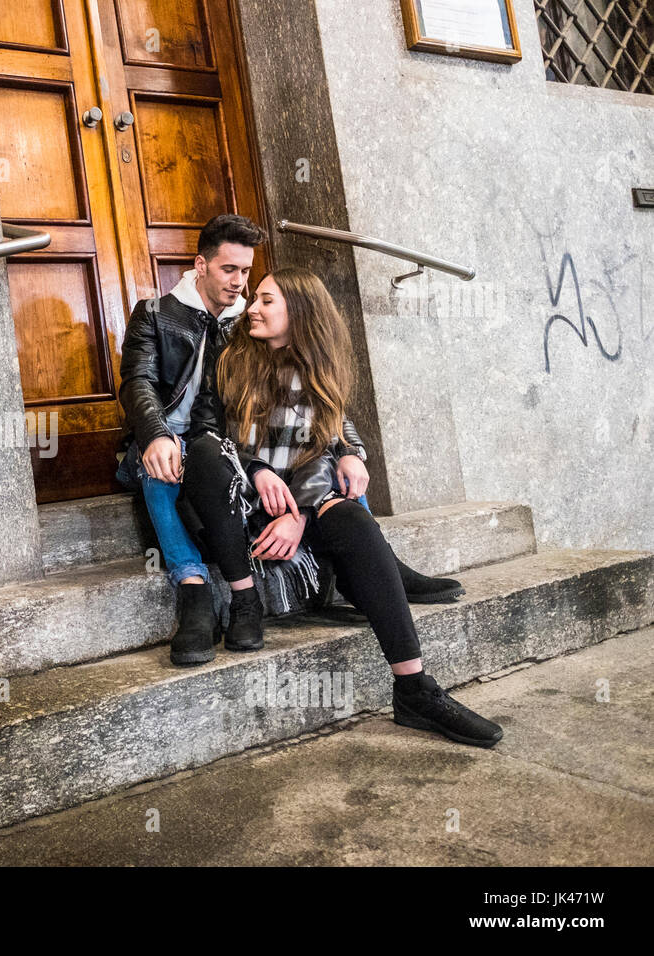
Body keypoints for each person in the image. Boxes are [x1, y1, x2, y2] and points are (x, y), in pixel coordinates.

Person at [117, 214, 461, 668]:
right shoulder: (157, 314)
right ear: (200, 266)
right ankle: (194, 591)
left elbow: (318, 400)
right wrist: (157, 433)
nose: (241, 283)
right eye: (229, 270)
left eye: (246, 272)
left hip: (238, 442)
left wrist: (351, 449)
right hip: (181, 438)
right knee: (163, 461)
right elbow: (137, 382)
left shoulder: (252, 319)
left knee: (335, 460)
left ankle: (382, 567)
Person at [180, 266, 503, 747]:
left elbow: (320, 453)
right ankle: (244, 598)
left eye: (267, 300)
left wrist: (300, 516)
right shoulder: (228, 356)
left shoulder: (319, 371)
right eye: (255, 298)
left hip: (295, 501)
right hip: (233, 501)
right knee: (206, 455)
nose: (252, 307)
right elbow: (205, 431)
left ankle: (415, 689)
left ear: (300, 310)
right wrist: (256, 468)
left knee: (352, 519)